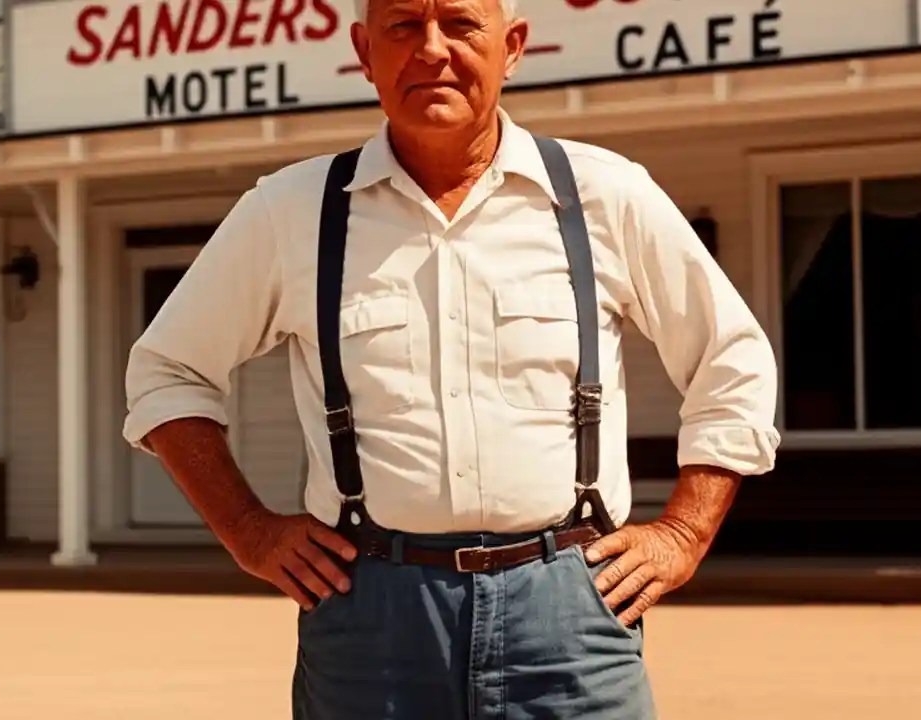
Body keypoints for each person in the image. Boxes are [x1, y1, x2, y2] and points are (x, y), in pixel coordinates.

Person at [122, 0, 780, 717]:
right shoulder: (293, 212)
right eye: (402, 26)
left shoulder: (603, 195)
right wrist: (248, 531)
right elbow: (166, 372)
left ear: (513, 46)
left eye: (461, 24)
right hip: (370, 614)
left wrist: (683, 532)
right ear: (365, 53)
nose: (431, 49)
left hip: (570, 610)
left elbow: (732, 358)